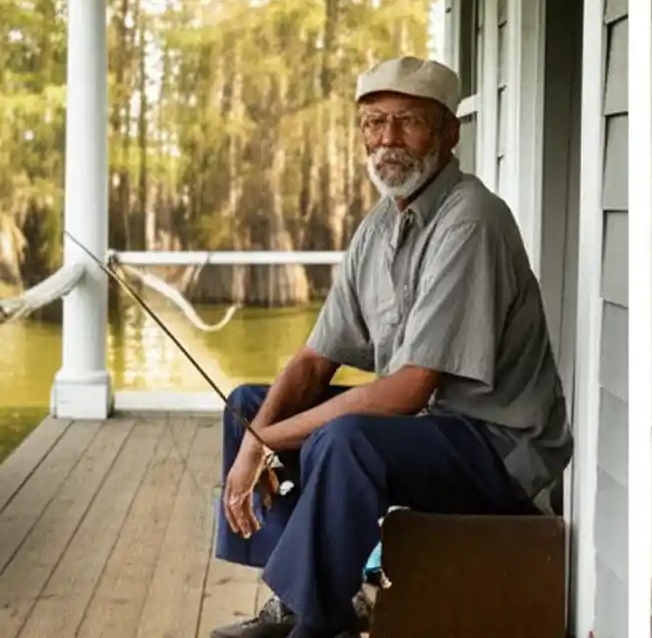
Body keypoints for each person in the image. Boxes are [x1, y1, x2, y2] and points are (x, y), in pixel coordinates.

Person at [209, 56, 574, 638]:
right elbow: (315, 359)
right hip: (432, 430)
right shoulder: (379, 226)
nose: (387, 139)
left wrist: (267, 442)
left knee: (347, 440)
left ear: (449, 133)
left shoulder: (470, 221)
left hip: (499, 448)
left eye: (408, 121)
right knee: (249, 404)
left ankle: (316, 622)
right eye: (374, 123)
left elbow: (407, 391)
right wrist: (257, 430)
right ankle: (298, 602)